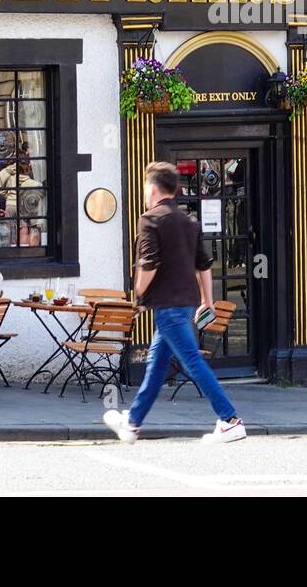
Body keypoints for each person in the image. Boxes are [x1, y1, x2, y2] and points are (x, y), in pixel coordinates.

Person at [103, 161, 246, 444]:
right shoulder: (188, 221)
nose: (145, 194)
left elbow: (149, 263)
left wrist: (139, 294)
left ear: (153, 189)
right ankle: (132, 424)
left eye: (145, 188)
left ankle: (229, 419)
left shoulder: (150, 220)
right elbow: (203, 265)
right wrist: (208, 301)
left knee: (192, 361)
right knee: (156, 367)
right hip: (186, 303)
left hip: (167, 306)